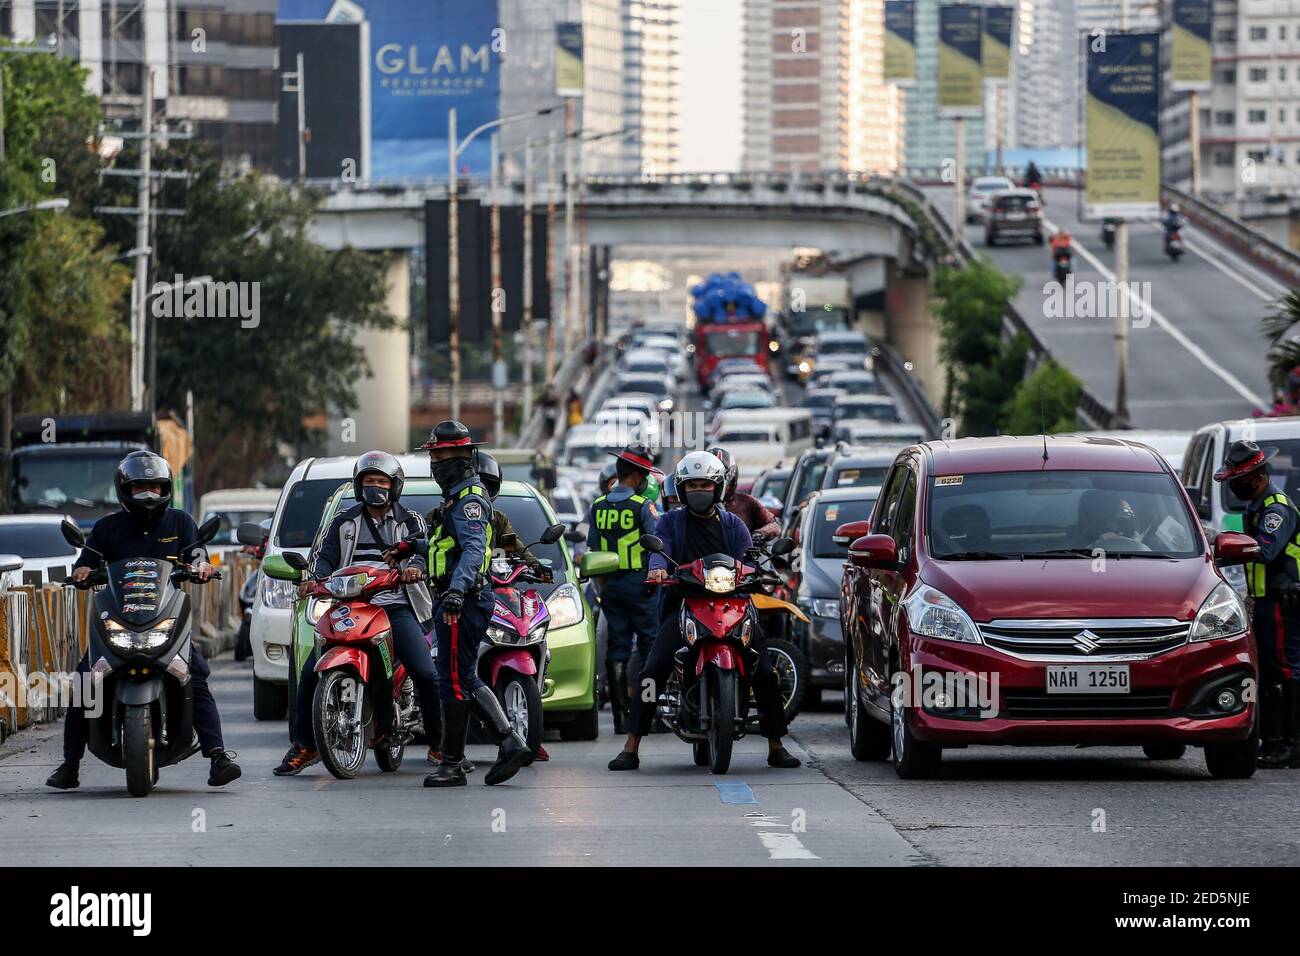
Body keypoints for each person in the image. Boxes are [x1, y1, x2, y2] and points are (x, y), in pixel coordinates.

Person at [46, 451, 241, 790]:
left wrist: (203, 568)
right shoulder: (107, 528)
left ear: (166, 488)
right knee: (84, 680)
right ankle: (70, 765)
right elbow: (86, 561)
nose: (148, 494)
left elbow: (197, 555)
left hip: (165, 618)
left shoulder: (181, 523)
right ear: (124, 489)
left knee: (194, 674)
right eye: (140, 488)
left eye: (155, 486)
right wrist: (81, 572)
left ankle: (218, 756)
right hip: (119, 619)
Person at [608, 452, 801, 771]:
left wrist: (759, 572)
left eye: (706, 485)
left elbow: (748, 559)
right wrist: (657, 569)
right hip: (685, 604)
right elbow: (661, 548)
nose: (700, 490)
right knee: (653, 670)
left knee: (766, 672)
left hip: (734, 604)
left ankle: (776, 744)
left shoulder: (733, 524)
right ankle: (631, 745)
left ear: (718, 488)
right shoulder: (670, 521)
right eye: (693, 485)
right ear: (682, 490)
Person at [273, 451, 445, 776]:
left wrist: (415, 570)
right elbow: (323, 559)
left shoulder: (410, 521)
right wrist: (312, 580)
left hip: (395, 607)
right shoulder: (343, 521)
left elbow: (423, 551)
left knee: (425, 672)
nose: (375, 487)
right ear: (358, 486)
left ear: (394, 487)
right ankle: (305, 745)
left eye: (381, 482)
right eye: (369, 482)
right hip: (349, 606)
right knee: (310, 672)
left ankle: (440, 746)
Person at [421, 421, 531, 787]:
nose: (435, 462)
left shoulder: (468, 498)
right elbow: (446, 547)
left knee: (451, 680)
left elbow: (472, 551)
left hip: (462, 600)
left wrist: (455, 591)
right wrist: (411, 548)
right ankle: (510, 741)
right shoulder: (456, 495)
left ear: (461, 457)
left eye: (440, 455)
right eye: (433, 455)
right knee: (463, 676)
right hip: (462, 596)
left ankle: (452, 763)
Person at [427, 451, 554, 763]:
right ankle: (487, 744)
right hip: (453, 592)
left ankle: (484, 748)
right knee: (454, 673)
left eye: (487, 485)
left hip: (470, 593)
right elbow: (435, 546)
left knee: (458, 676)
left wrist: (537, 567)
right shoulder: (443, 512)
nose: (481, 489)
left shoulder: (491, 517)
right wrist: (412, 550)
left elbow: (513, 548)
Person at [1214, 440, 1300, 769]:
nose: (1235, 487)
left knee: (1285, 671)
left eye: (1239, 480)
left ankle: (1288, 744)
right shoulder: (1258, 506)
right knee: (1272, 671)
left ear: (1258, 478)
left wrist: (1218, 546)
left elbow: (1264, 551)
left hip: (1283, 599)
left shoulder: (1276, 509)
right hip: (1267, 601)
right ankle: (1276, 740)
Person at [585, 443, 662, 735]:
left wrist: (605, 588)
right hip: (642, 586)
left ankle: (620, 719)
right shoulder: (643, 506)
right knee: (649, 650)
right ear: (636, 475)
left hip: (610, 586)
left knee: (616, 651)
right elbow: (657, 545)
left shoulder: (597, 507)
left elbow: (592, 550)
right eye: (644, 475)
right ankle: (647, 716)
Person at [708, 446, 780, 542]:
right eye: (708, 482)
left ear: (731, 479)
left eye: (720, 481)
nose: (716, 486)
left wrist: (760, 534)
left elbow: (774, 524)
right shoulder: (690, 508)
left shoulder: (748, 502)